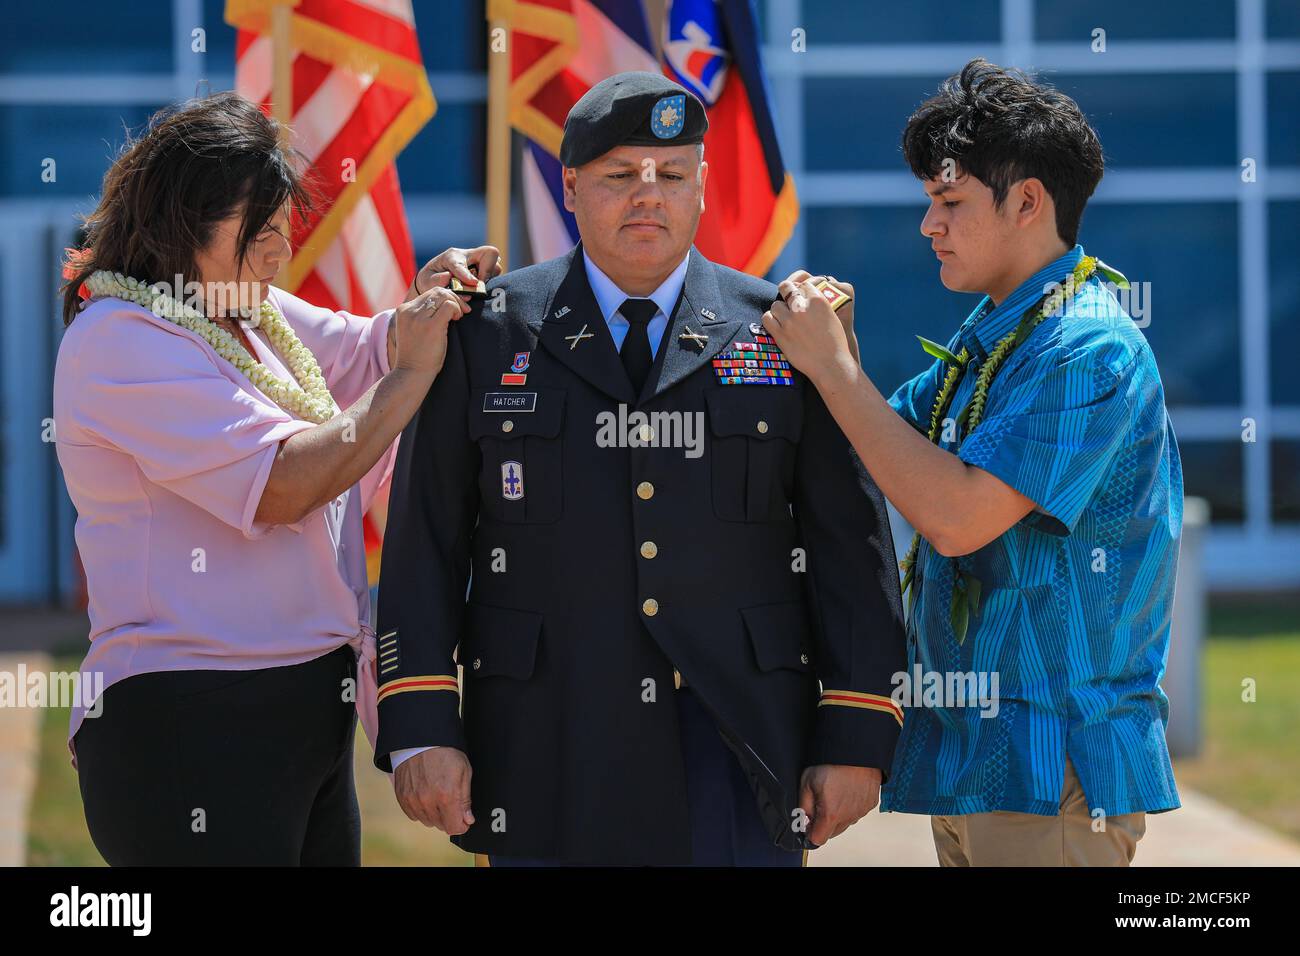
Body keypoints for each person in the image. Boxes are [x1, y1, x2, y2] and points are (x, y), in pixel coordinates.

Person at [374, 72, 907, 866]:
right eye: (620, 176)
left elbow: (847, 542)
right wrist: (420, 721)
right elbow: (426, 540)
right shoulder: (488, 331)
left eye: (673, 175)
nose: (647, 196)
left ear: (701, 188)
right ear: (572, 187)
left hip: (736, 740)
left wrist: (859, 726)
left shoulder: (783, 331)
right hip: (546, 740)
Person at [53, 90, 500, 865]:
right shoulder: (117, 338)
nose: (276, 253)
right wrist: (411, 372)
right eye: (255, 233)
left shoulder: (246, 310)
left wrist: (434, 298)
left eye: (279, 230)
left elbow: (374, 348)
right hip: (191, 715)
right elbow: (284, 483)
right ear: (179, 224)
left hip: (303, 710)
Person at [763, 58, 1182, 866]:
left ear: (1028, 201)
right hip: (984, 766)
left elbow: (956, 517)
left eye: (949, 201)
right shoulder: (995, 338)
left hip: (1051, 770)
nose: (930, 225)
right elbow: (881, 447)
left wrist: (837, 370)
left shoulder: (1088, 346)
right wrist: (833, 352)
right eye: (931, 201)